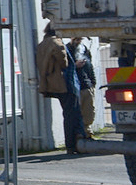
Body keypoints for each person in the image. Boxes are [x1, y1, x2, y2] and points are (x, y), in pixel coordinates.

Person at [37, 24, 83, 153]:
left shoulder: (42, 44)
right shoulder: (57, 42)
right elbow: (64, 62)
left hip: (51, 83)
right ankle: (73, 145)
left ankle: (73, 144)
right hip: (65, 83)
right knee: (72, 114)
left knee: (68, 113)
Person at [71, 36, 97, 134]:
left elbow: (90, 66)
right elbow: (64, 67)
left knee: (89, 112)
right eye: (77, 39)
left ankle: (87, 133)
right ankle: (79, 135)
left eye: (80, 39)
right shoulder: (68, 50)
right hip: (76, 87)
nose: (79, 41)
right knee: (76, 113)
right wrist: (75, 65)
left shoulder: (84, 50)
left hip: (87, 86)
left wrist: (93, 82)